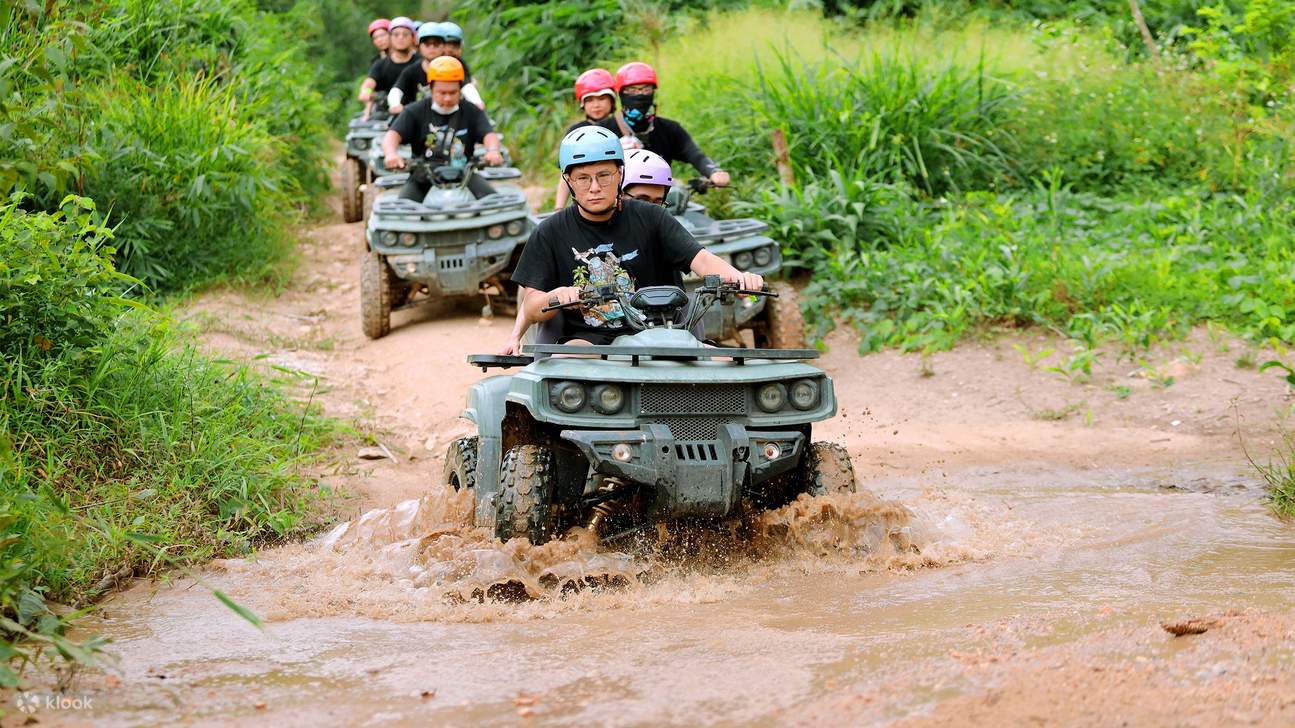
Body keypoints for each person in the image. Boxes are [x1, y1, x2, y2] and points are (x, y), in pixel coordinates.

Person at [501, 126, 760, 353]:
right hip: (589, 341)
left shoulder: (652, 217)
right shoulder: (549, 231)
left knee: (724, 364)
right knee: (568, 360)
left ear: (620, 174)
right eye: (583, 178)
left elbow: (702, 260)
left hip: (664, 336)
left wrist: (738, 276)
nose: (594, 187)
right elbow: (531, 305)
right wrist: (556, 296)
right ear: (569, 181)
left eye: (604, 175)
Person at [382, 56, 504, 202]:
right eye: (442, 93)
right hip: (423, 177)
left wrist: (493, 151)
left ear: (460, 90)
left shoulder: (472, 111)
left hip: (465, 174)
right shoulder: (414, 111)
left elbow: (489, 134)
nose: (447, 98)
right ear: (431, 88)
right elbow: (392, 136)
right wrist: (391, 154)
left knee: (497, 208)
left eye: (453, 93)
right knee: (400, 215)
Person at [613, 61, 730, 189]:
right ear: (621, 94)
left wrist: (714, 172)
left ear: (653, 92)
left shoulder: (669, 129)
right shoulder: (605, 131)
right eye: (632, 90)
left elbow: (694, 154)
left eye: (646, 89)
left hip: (662, 198)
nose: (640, 94)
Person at [552, 68, 635, 210]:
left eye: (602, 98)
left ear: (612, 101)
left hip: (626, 200)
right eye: (590, 100)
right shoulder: (576, 133)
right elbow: (565, 175)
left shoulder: (624, 125)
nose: (596, 105)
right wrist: (559, 208)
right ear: (582, 104)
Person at [389, 22, 485, 114]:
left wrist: (477, 102)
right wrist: (395, 104)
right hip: (419, 119)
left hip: (452, 116)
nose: (431, 47)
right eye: (427, 44)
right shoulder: (411, 71)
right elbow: (397, 90)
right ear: (419, 46)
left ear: (443, 46)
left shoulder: (453, 68)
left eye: (436, 44)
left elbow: (466, 87)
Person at [358, 16, 419, 120]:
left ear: (413, 37)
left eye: (405, 34)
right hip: (387, 113)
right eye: (396, 34)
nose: (400, 38)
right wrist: (366, 91)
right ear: (390, 37)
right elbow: (369, 82)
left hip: (416, 112)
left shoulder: (420, 62)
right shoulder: (380, 64)